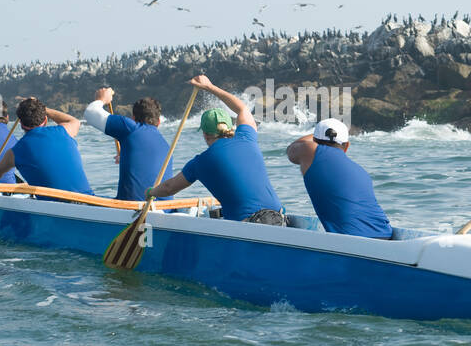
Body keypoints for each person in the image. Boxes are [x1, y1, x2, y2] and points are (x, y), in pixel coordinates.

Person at [147, 74, 284, 224]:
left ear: (205, 135)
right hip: (279, 217)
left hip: (249, 225)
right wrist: (209, 87)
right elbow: (242, 109)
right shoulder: (247, 137)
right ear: (230, 127)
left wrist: (151, 192)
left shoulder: (200, 162)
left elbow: (168, 188)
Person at [286, 118, 392, 238]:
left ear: (314, 141)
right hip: (385, 233)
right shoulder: (361, 171)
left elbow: (292, 150)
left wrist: (317, 135)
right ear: (347, 146)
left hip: (354, 240)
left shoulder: (311, 151)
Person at [0, 97, 93, 195]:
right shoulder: (64, 131)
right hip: (90, 200)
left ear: (21, 124)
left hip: (57, 209)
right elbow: (74, 121)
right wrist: (45, 109)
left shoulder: (16, 151)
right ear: (45, 120)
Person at [82, 88, 172, 201]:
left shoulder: (131, 128)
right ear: (158, 122)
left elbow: (91, 113)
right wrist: (126, 157)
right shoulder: (166, 145)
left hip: (133, 210)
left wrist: (102, 99)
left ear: (133, 118)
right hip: (165, 209)